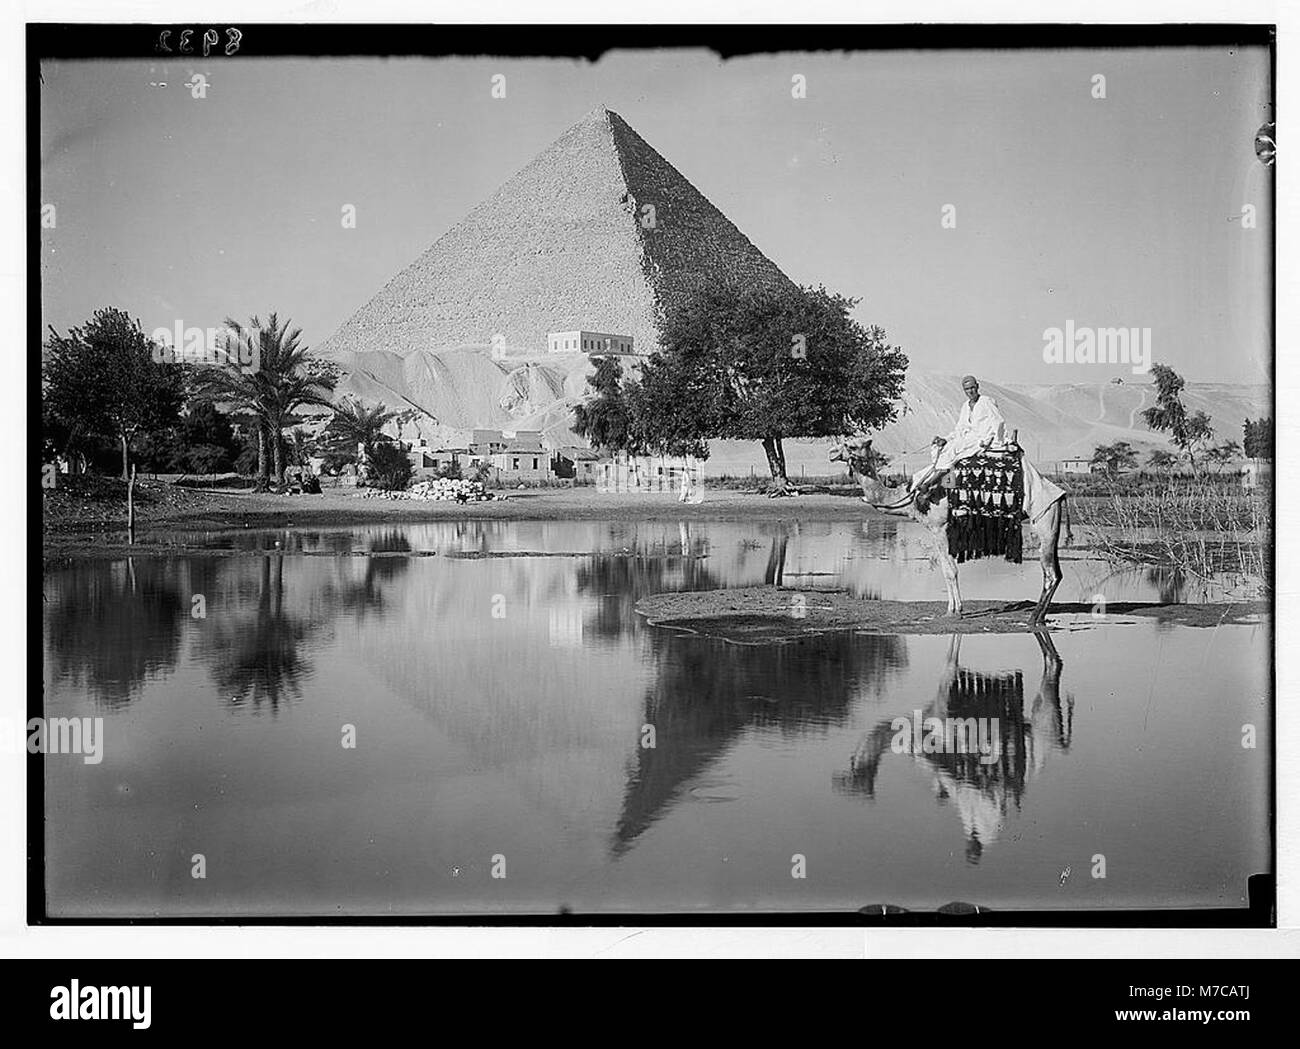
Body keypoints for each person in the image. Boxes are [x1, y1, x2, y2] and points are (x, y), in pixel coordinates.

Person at [912, 375, 1006, 492]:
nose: (970, 391)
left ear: (977, 387)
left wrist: (995, 441)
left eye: (972, 388)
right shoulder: (965, 406)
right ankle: (940, 484)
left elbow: (998, 421)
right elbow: (959, 429)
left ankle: (930, 483)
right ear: (964, 390)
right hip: (967, 437)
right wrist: (946, 439)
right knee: (942, 447)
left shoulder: (986, 402)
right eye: (967, 389)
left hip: (981, 438)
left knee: (953, 450)